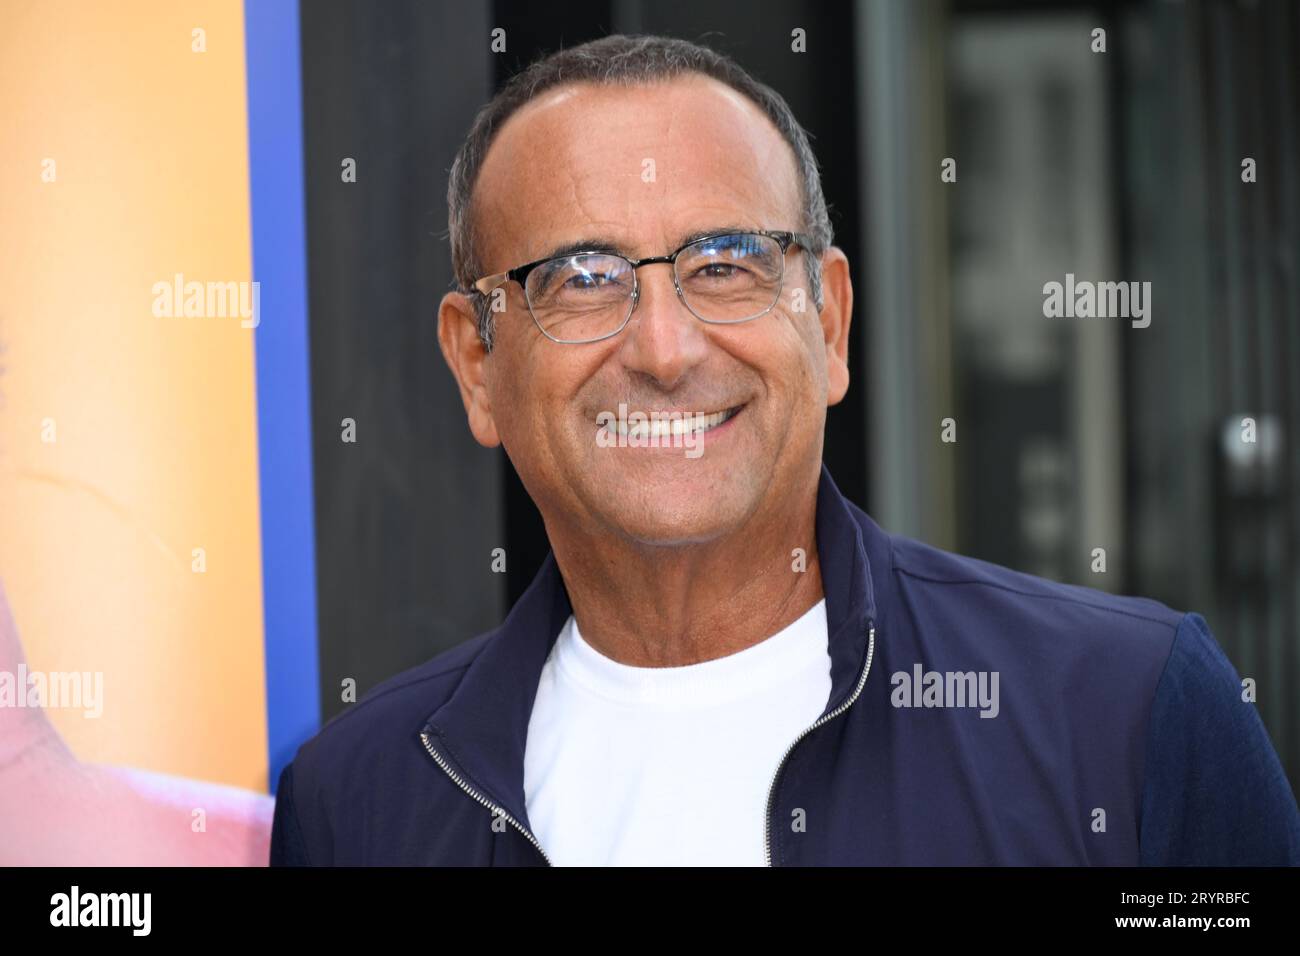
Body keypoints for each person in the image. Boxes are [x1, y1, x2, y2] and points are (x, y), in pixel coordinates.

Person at [270, 33, 1300, 866]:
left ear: (831, 322)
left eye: (724, 264)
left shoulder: (1126, 711)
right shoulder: (359, 803)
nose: (665, 350)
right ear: (476, 363)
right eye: (584, 277)